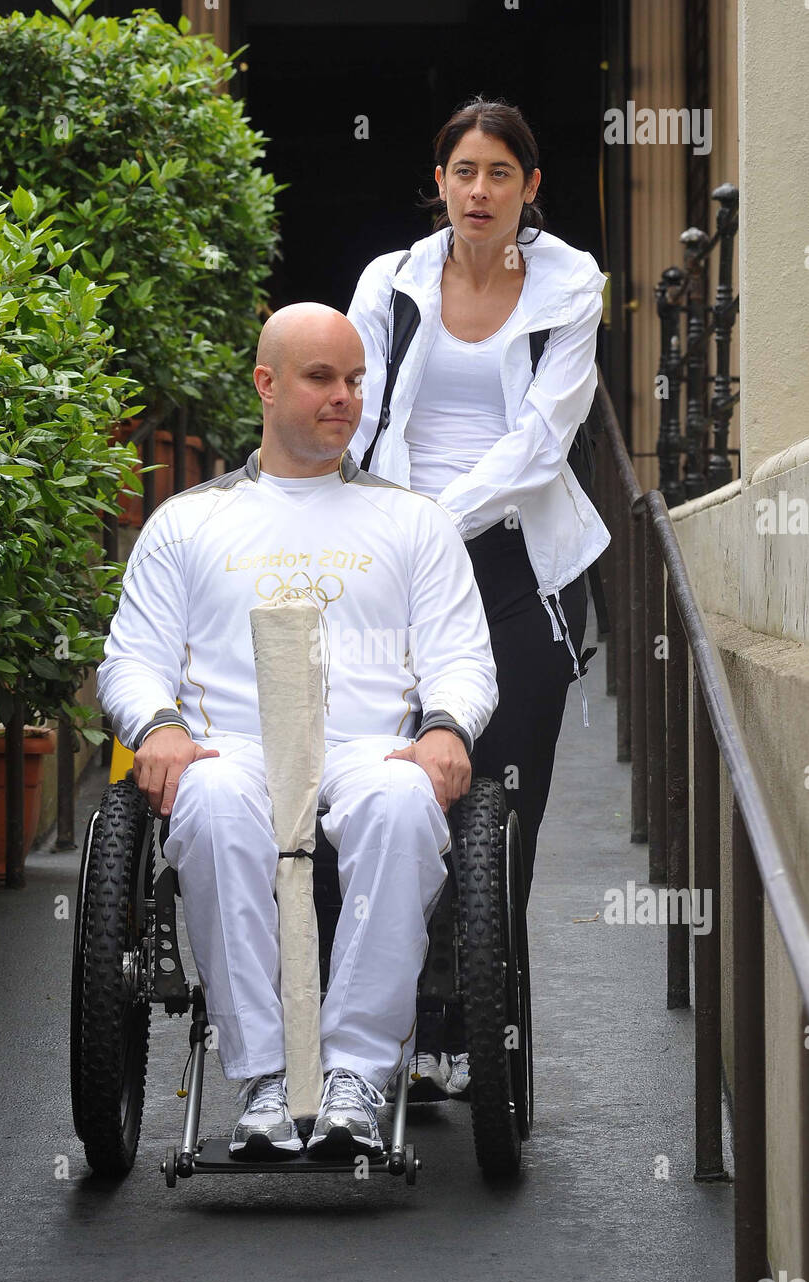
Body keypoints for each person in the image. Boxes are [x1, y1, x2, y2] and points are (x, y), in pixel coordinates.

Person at [95, 304, 498, 1160]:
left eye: (355, 380)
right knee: (203, 800)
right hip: (230, 748)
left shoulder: (413, 522)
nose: (343, 397)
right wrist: (158, 726)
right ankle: (266, 1078)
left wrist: (445, 728)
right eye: (321, 378)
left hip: (366, 749)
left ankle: (354, 1073)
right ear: (266, 384)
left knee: (401, 801)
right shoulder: (188, 521)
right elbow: (131, 659)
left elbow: (461, 656)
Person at [347, 98, 610, 1100]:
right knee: (399, 793)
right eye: (463, 171)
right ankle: (397, 1020)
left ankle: (471, 1024)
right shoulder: (392, 280)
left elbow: (543, 439)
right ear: (440, 182)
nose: (479, 190)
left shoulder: (568, 283)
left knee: (500, 809)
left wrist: (433, 519)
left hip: (514, 567)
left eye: (500, 173)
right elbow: (354, 410)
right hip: (395, 572)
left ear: (528, 188)